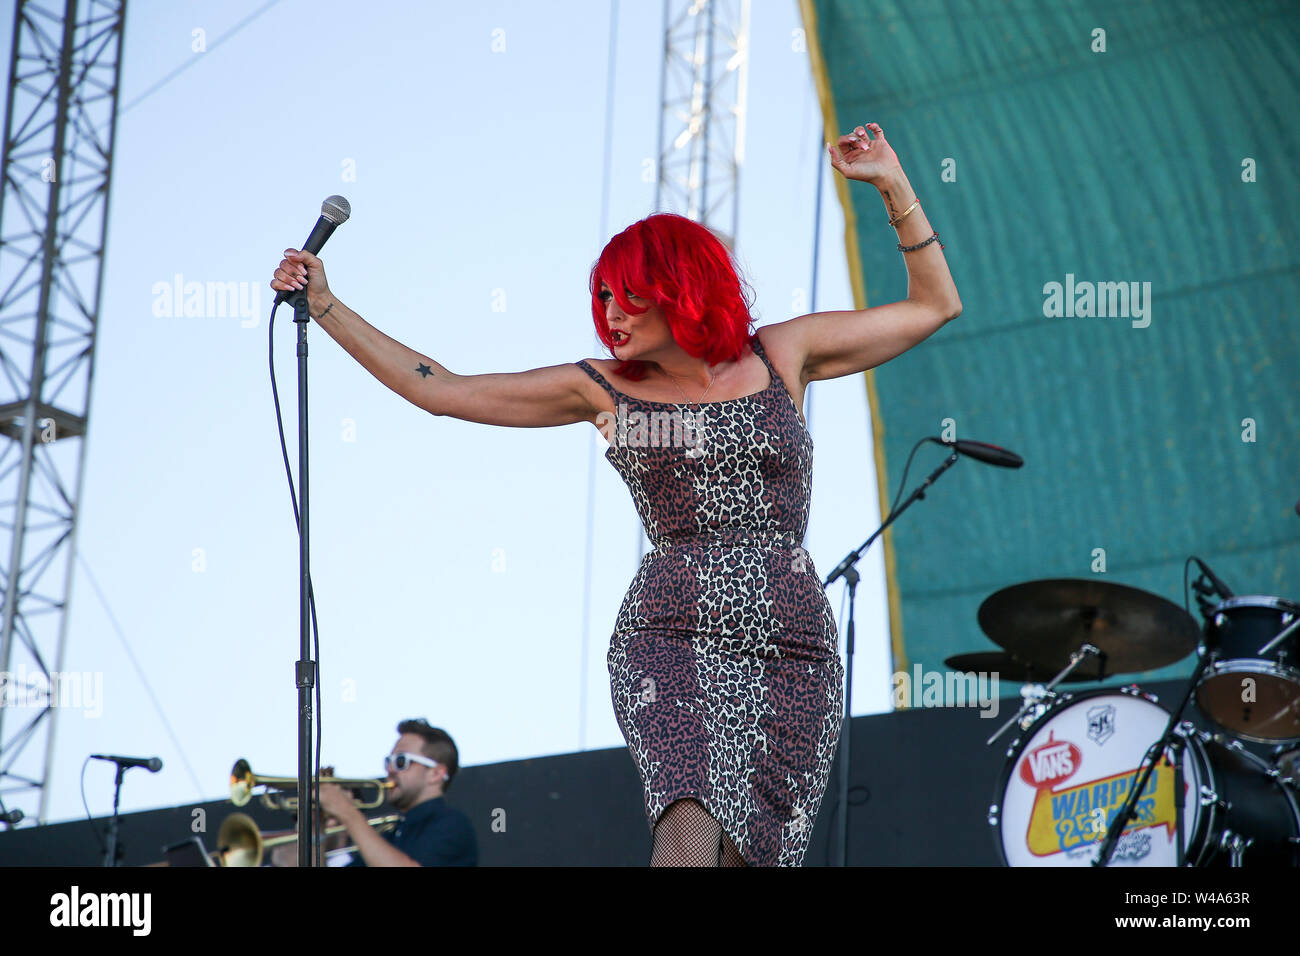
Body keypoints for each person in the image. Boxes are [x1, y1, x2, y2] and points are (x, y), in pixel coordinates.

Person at [269, 122, 959, 866]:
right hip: (671, 635)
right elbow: (439, 389)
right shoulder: (601, 387)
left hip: (793, 642)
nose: (611, 312)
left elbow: (934, 306)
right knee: (689, 822)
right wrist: (328, 305)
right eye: (602, 296)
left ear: (679, 287)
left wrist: (891, 182)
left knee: (751, 857)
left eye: (626, 294)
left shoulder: (783, 352)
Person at [272, 719, 477, 867]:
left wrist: (346, 811)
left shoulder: (451, 825)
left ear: (436, 773)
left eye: (401, 761)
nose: (390, 769)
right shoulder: (391, 833)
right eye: (388, 761)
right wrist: (315, 831)